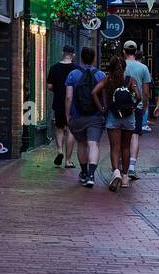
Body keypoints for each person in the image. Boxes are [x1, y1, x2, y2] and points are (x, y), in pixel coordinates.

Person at [64, 46, 106, 187]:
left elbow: (69, 97)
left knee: (81, 144)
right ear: (94, 58)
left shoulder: (73, 74)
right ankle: (91, 175)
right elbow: (103, 97)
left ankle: (83, 172)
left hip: (77, 116)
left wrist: (67, 115)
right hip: (95, 116)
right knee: (93, 144)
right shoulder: (100, 75)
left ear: (81, 57)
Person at [100, 53, 140, 191]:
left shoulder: (108, 80)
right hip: (128, 116)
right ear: (124, 67)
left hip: (113, 116)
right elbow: (139, 96)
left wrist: (103, 108)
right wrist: (133, 107)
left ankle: (115, 171)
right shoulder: (130, 80)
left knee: (114, 147)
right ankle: (124, 178)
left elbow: (94, 92)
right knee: (126, 147)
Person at [123, 40, 152, 179]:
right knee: (134, 135)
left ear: (124, 51)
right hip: (137, 106)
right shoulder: (143, 68)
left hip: (121, 106)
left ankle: (120, 166)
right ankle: (132, 167)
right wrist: (145, 106)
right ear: (135, 52)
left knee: (122, 135)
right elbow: (146, 92)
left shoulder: (120, 66)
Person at [46, 46, 77, 169]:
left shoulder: (54, 68)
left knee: (59, 127)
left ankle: (60, 150)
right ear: (73, 54)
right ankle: (68, 161)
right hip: (73, 103)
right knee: (70, 130)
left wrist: (58, 89)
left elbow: (49, 86)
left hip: (58, 101)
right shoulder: (76, 69)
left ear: (62, 53)